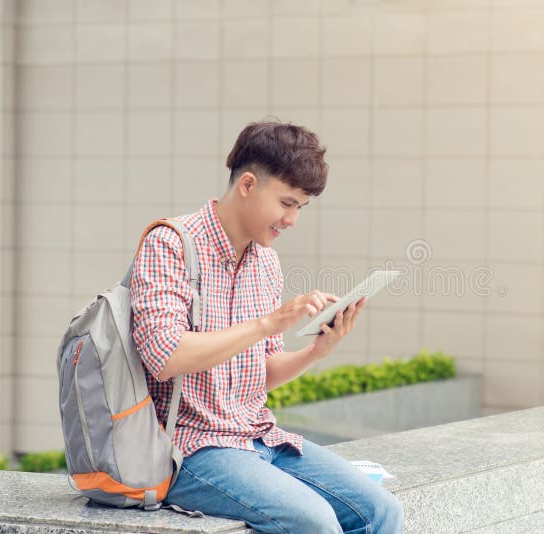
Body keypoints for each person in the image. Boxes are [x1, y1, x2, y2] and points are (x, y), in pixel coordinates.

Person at [130, 121, 404, 533]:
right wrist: (269, 322)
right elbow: (165, 356)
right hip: (191, 450)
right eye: (287, 203)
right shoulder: (169, 244)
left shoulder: (265, 261)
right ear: (247, 184)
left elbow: (261, 373)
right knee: (314, 523)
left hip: (260, 437)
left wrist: (316, 351)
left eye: (300, 208)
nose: (292, 220)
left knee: (383, 513)